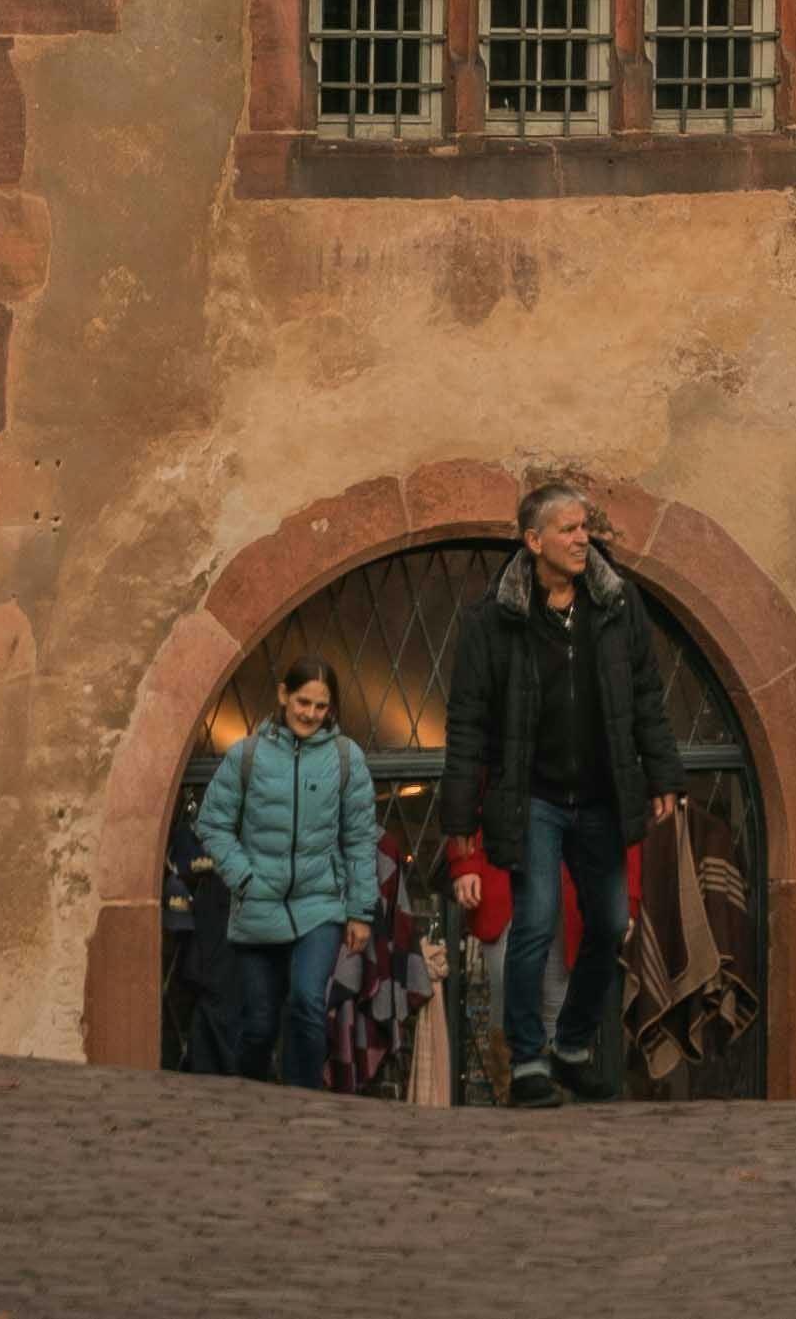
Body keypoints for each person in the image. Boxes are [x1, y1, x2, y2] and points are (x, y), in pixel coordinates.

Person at [437, 468, 683, 1105]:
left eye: (585, 528)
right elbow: (466, 723)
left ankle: (572, 1045)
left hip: (601, 796)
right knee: (536, 924)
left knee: (608, 922)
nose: (583, 539)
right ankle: (527, 1064)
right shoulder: (494, 619)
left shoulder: (618, 604)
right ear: (533, 541)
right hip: (535, 799)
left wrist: (661, 773)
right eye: (569, 529)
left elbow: (646, 698)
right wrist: (460, 818)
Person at [193, 646, 382, 1087]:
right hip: (258, 903)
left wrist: (359, 911)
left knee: (307, 1003)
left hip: (319, 905)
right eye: (303, 702)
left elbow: (358, 838)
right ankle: (255, 1099)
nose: (311, 713)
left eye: (321, 706)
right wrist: (243, 876)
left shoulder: (346, 758)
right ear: (283, 695)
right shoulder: (247, 755)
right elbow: (212, 823)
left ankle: (303, 1104)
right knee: (258, 1023)